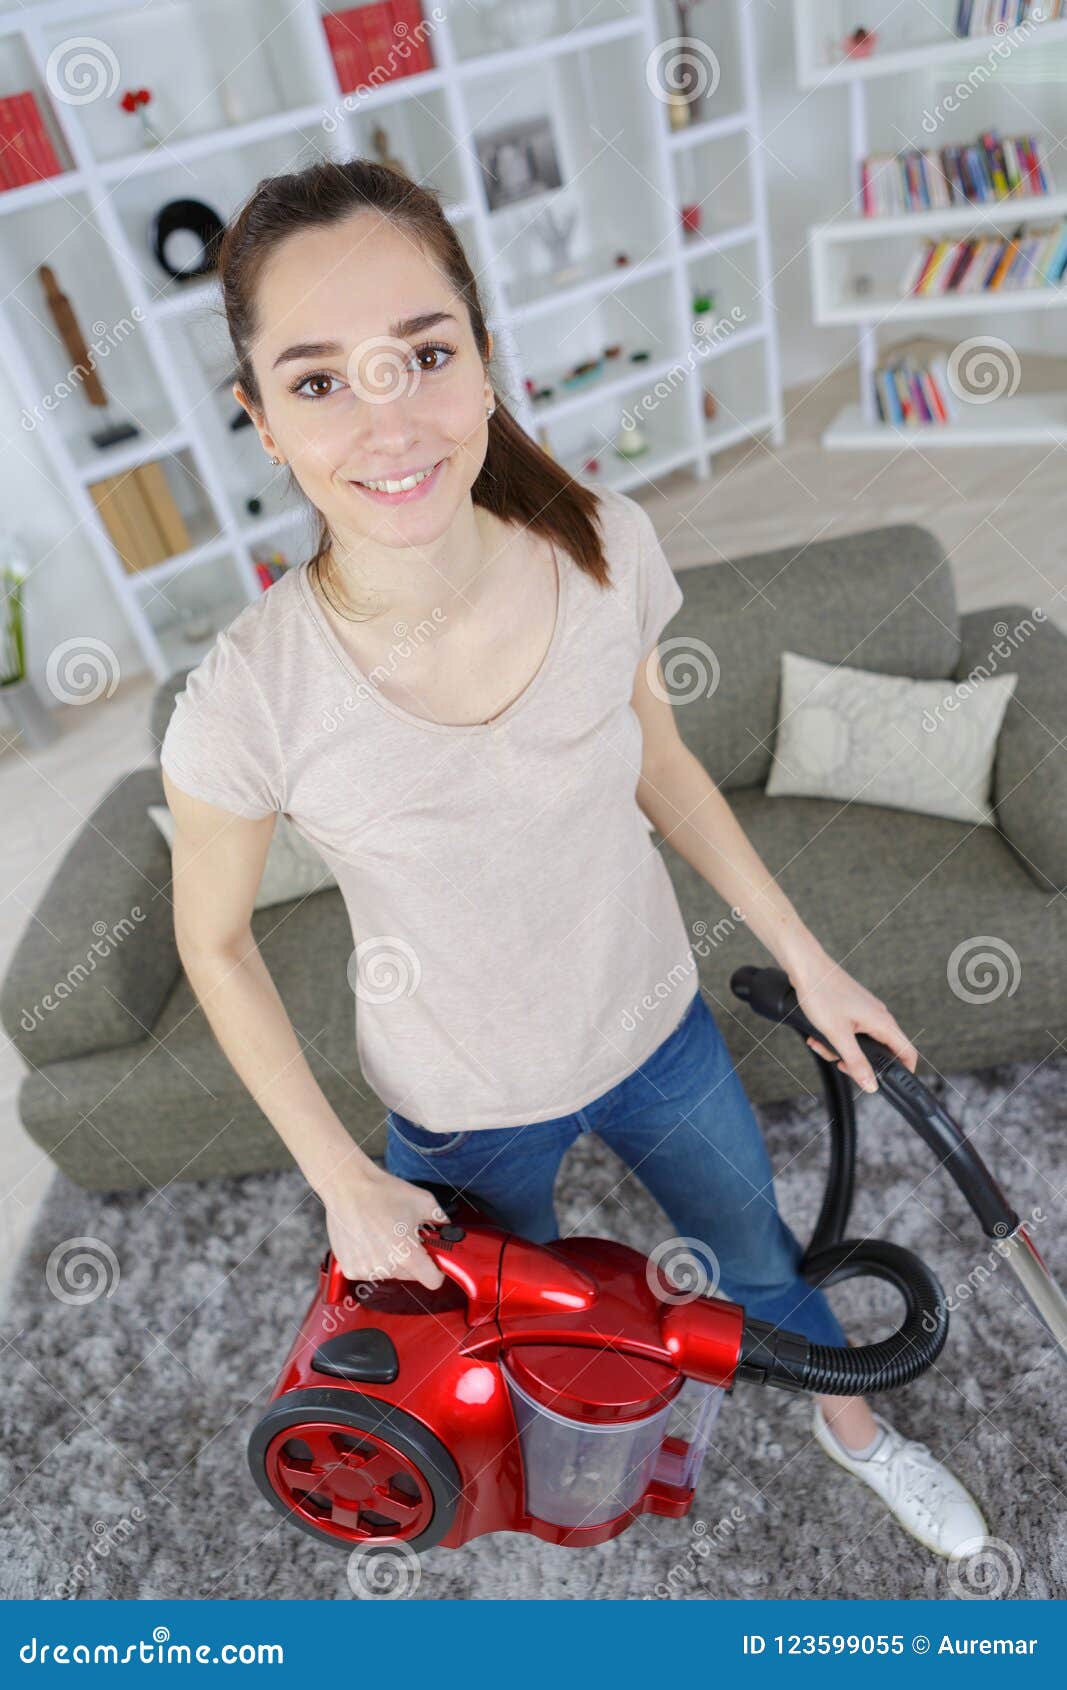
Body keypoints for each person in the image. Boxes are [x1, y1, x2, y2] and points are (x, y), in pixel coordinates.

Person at [160, 158, 987, 1562]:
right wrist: (340, 1180)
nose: (390, 418)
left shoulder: (603, 547)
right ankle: (555, 1501)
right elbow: (213, 941)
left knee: (754, 1258)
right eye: (317, 382)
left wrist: (810, 957)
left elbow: (659, 760)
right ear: (260, 422)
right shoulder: (248, 696)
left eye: (422, 354)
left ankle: (856, 1427)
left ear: (482, 362)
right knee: (501, 1361)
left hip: (654, 1025)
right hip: (459, 1109)